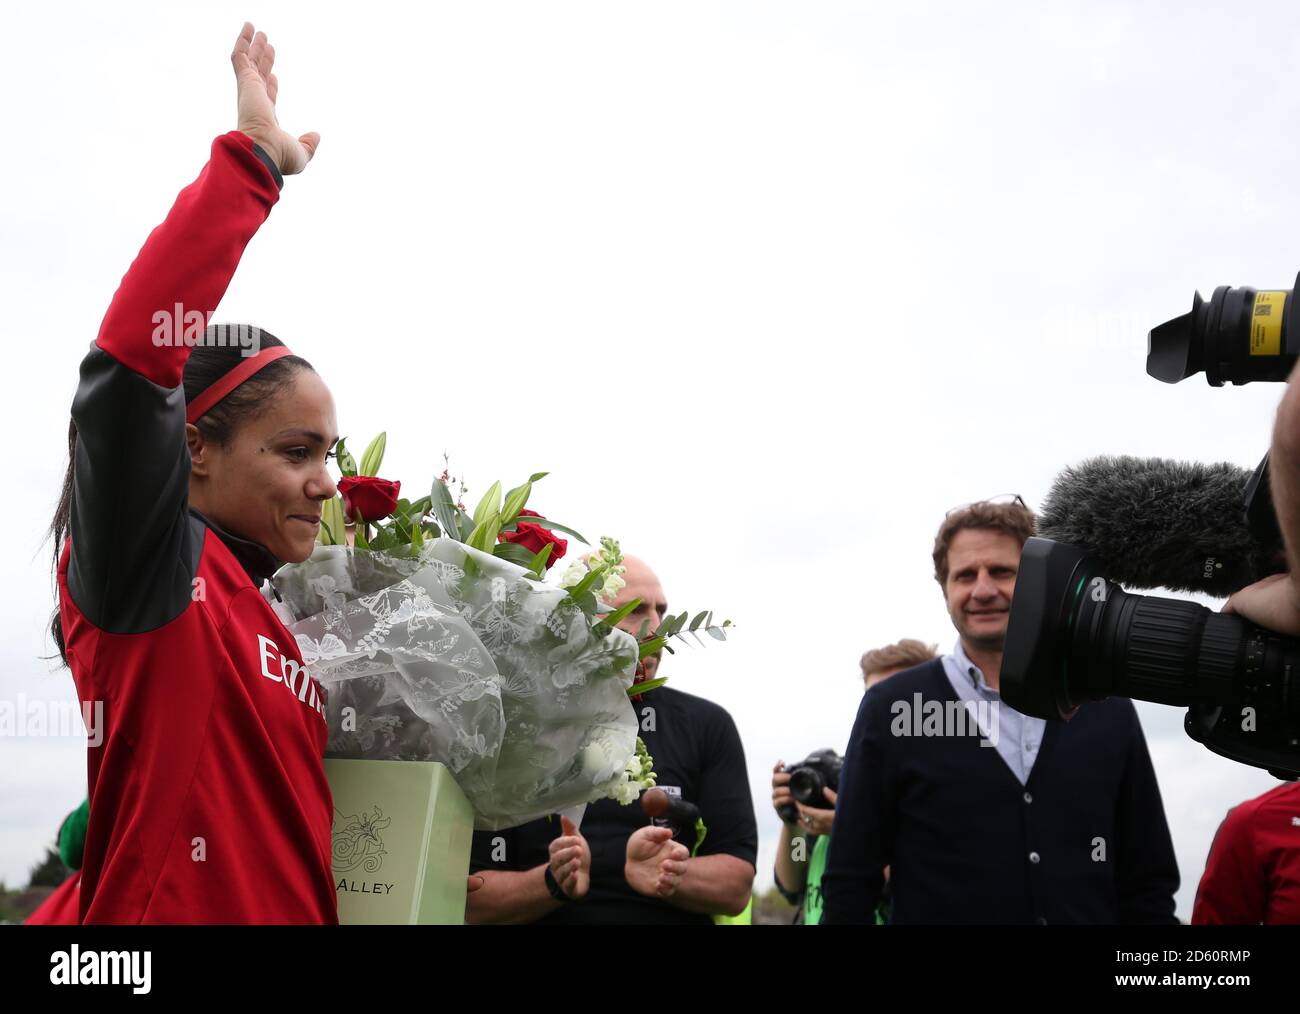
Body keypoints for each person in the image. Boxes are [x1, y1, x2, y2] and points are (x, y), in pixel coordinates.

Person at [47, 24, 339, 923]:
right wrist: (253, 165)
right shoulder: (152, 568)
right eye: (296, 452)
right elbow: (130, 364)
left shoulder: (278, 619)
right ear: (194, 447)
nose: (328, 482)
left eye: (329, 453)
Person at [821, 497, 1180, 924]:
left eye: (1002, 572)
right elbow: (849, 884)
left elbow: (1147, 884)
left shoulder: (1105, 704)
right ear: (945, 589)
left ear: (1036, 581)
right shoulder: (893, 708)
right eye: (965, 575)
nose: (983, 590)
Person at [465, 556, 758, 924]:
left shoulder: (706, 725)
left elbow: (736, 885)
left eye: (661, 611)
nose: (657, 628)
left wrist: (671, 872)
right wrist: (552, 882)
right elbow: (470, 900)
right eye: (635, 610)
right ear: (577, 618)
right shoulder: (512, 725)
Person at [771, 639, 937, 925]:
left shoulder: (945, 791)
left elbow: (932, 894)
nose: (880, 709)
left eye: (895, 699)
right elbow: (793, 883)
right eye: (873, 698)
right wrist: (794, 823)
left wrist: (850, 832)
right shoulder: (841, 787)